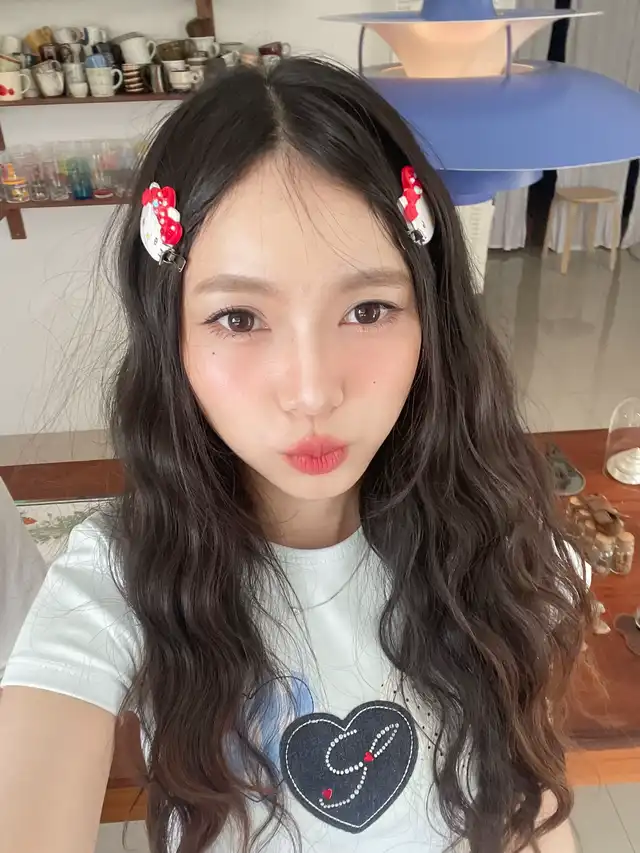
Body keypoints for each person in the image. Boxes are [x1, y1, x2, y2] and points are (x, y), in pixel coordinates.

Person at [0, 58, 591, 853]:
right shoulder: (121, 576)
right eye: (240, 318)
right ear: (172, 338)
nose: (313, 391)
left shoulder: (502, 543)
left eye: (368, 308)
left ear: (432, 320)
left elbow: (530, 812)